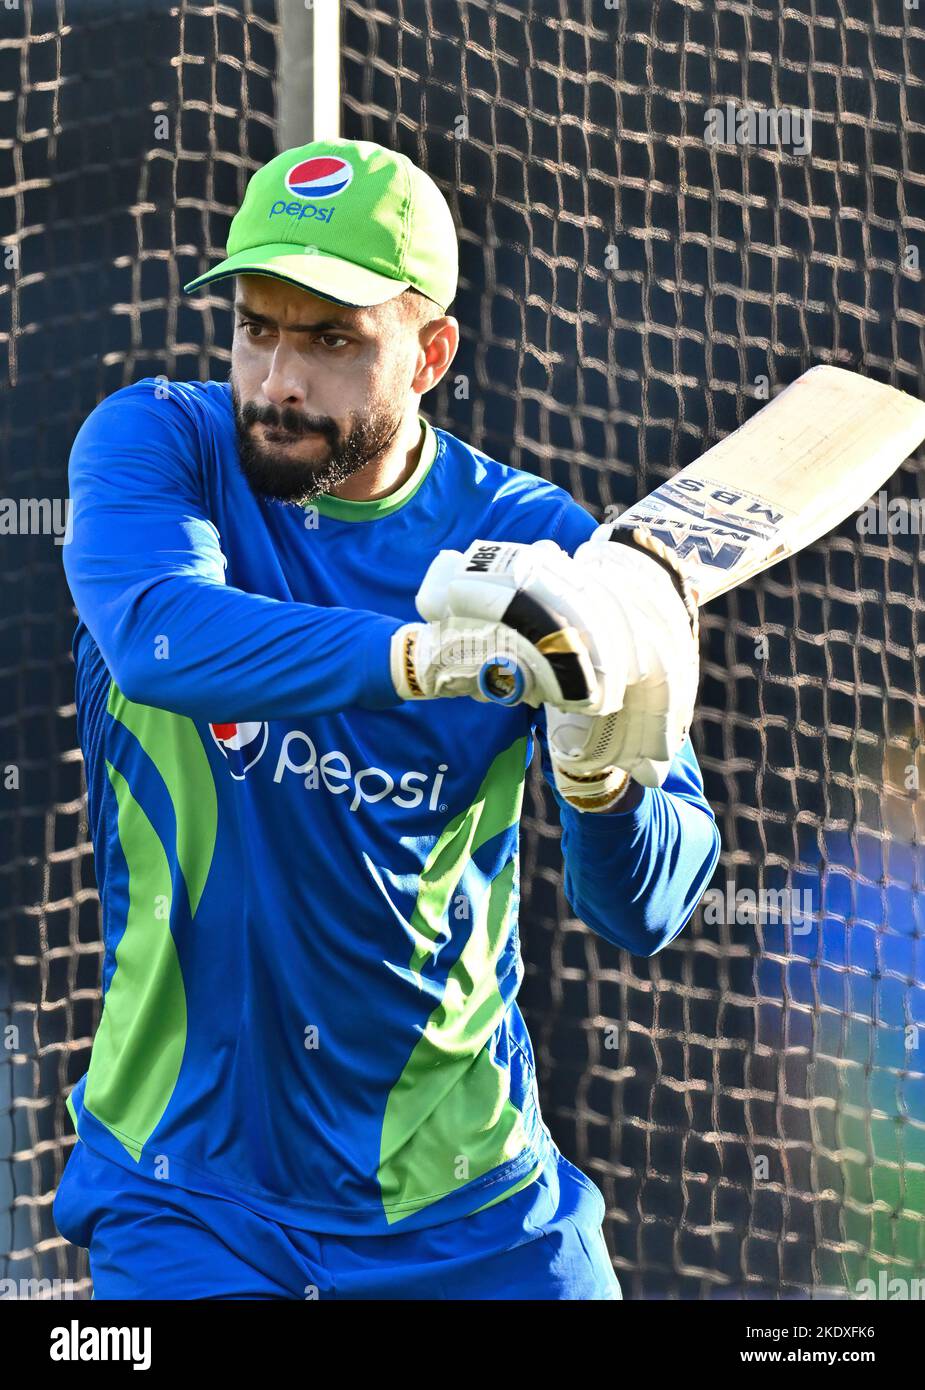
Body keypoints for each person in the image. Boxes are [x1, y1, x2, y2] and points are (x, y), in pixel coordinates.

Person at [53, 137, 720, 1300]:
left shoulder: (547, 547)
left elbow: (646, 911)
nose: (277, 381)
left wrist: (598, 771)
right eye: (257, 327)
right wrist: (426, 658)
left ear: (431, 353)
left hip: (472, 1209)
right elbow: (163, 637)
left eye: (331, 340)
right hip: (191, 1198)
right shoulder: (159, 444)